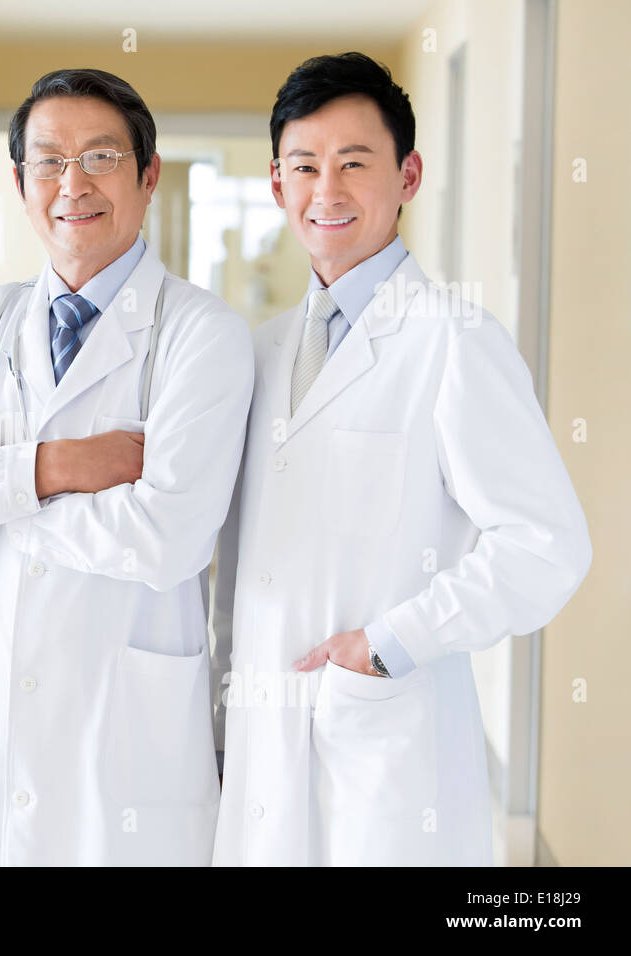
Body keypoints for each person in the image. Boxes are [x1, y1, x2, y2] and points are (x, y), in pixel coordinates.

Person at [0, 69, 253, 865]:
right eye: (48, 162)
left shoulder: (202, 335)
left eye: (100, 158)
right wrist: (56, 466)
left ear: (148, 178)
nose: (72, 184)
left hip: (120, 748)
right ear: (19, 182)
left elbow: (166, 538)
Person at [210, 53, 592, 866]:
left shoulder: (456, 341)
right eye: (305, 167)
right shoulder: (261, 351)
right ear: (277, 185)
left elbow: (547, 545)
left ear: (408, 175)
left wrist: (389, 642)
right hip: (260, 742)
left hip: (385, 745)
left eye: (356, 163)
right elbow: (241, 559)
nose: (329, 191)